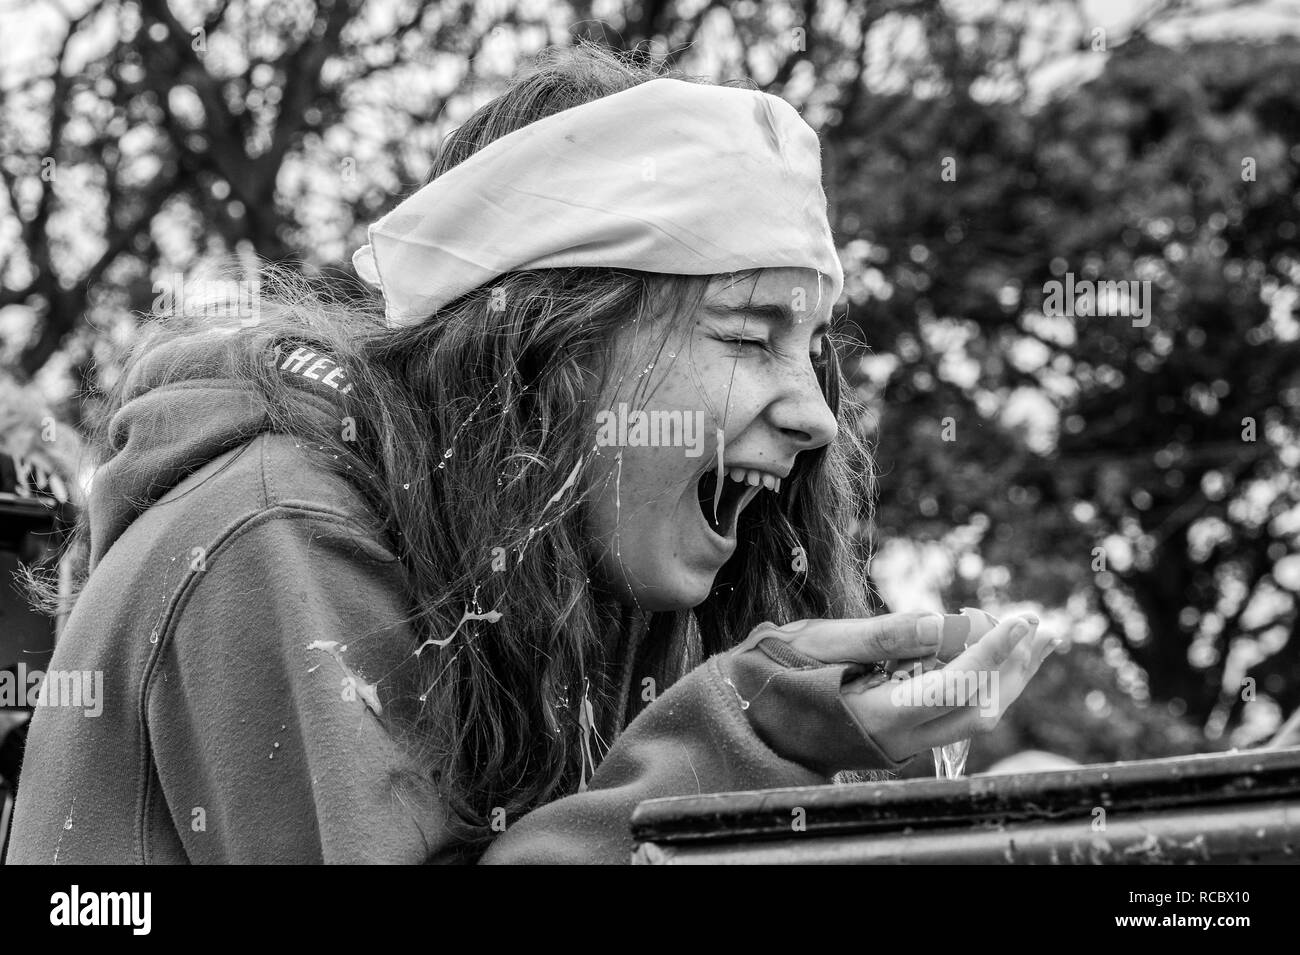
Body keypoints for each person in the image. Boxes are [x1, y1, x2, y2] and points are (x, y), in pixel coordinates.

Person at [5, 43, 1057, 865]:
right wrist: (743, 738)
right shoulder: (276, 536)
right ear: (545, 349)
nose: (816, 416)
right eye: (745, 334)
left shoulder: (559, 573)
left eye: (812, 349)